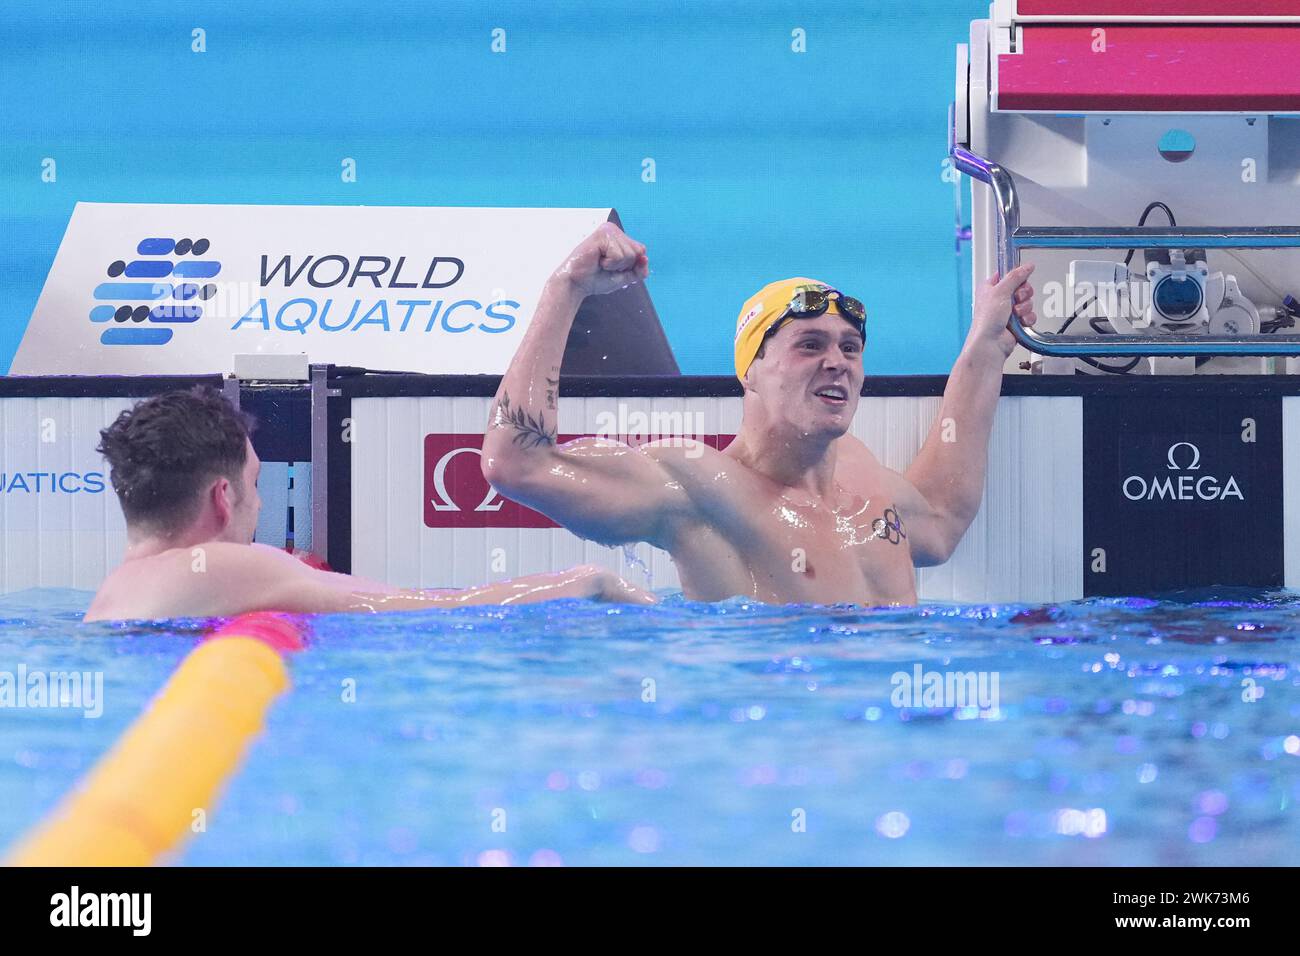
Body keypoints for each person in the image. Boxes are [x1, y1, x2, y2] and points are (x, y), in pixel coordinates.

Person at [481, 223, 1038, 605]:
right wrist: (568, 287)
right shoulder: (697, 487)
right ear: (750, 370)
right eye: (809, 345)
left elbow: (941, 519)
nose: (836, 363)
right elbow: (516, 465)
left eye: (850, 348)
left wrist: (986, 346)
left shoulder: (862, 477)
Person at [84, 388, 653, 622]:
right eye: (256, 486)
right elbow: (429, 610)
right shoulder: (221, 567)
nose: (258, 508)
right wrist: (582, 581)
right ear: (222, 496)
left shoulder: (112, 593)